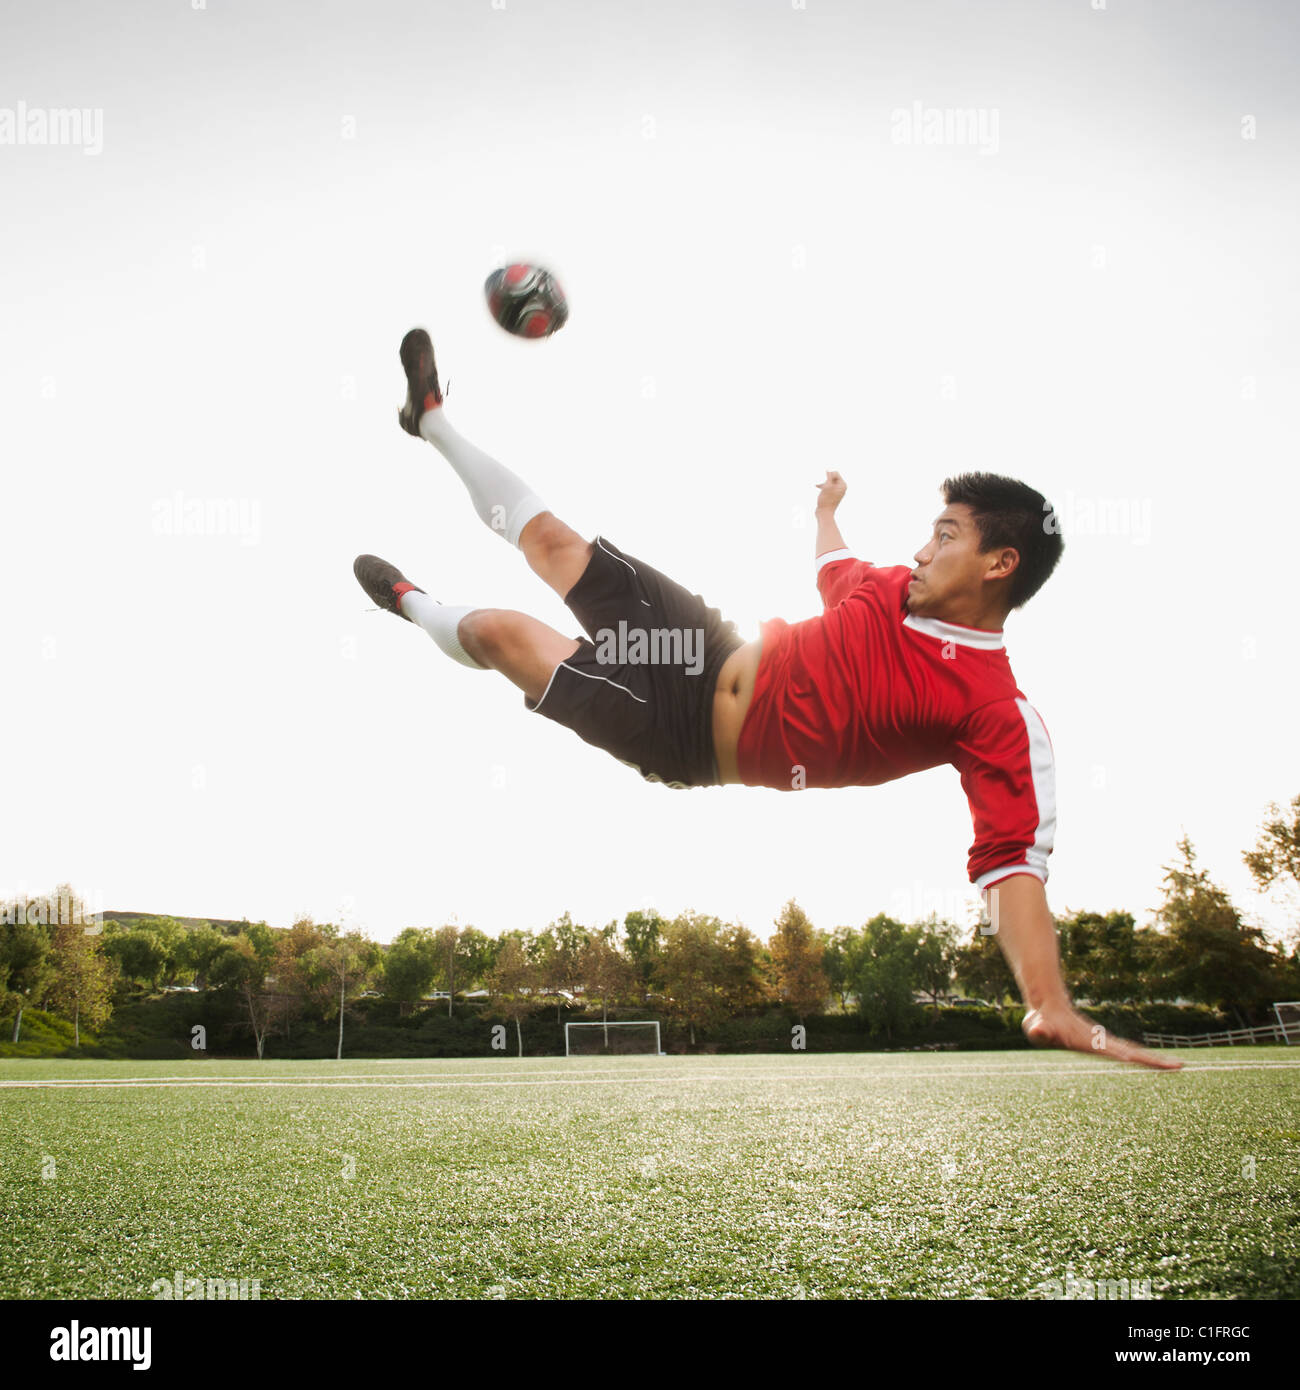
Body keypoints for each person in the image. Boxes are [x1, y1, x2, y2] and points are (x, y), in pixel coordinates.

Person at [354, 328, 1181, 1073]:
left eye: (946, 536)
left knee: (502, 632)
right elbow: (834, 564)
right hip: (704, 642)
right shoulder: (886, 586)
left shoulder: (997, 711)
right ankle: (431, 421)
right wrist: (826, 511)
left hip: (681, 736)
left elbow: (1011, 861)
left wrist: (1050, 999)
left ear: (1001, 565)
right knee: (555, 542)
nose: (921, 550)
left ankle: (410, 602)